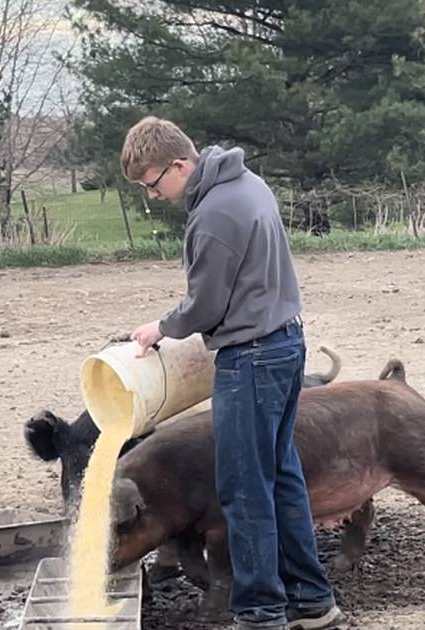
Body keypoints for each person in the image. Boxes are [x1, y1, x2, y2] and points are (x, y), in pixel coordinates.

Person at [124, 116, 346, 630]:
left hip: (251, 357)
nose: (153, 196)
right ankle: (312, 603)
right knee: (282, 476)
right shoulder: (249, 183)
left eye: (152, 184)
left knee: (244, 490)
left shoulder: (214, 215)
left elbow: (204, 306)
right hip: (287, 343)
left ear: (179, 165)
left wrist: (162, 327)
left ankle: (260, 613)